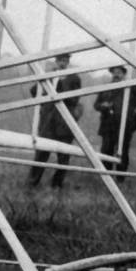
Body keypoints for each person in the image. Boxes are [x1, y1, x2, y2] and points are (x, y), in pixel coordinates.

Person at [27, 52, 83, 189]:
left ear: (68, 62)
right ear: (56, 61)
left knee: (63, 155)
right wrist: (44, 104)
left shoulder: (74, 78)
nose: (62, 63)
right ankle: (33, 182)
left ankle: (57, 184)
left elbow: (74, 99)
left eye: (65, 61)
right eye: (60, 60)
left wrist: (61, 86)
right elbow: (34, 91)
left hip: (65, 121)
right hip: (48, 121)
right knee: (41, 153)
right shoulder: (48, 76)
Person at [92, 65, 136, 173]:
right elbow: (96, 105)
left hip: (125, 124)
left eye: (119, 72)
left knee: (122, 150)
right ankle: (107, 175)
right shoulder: (106, 88)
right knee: (106, 150)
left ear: (124, 74)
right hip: (108, 124)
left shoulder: (131, 86)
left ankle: (120, 176)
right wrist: (103, 106)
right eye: (114, 72)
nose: (116, 75)